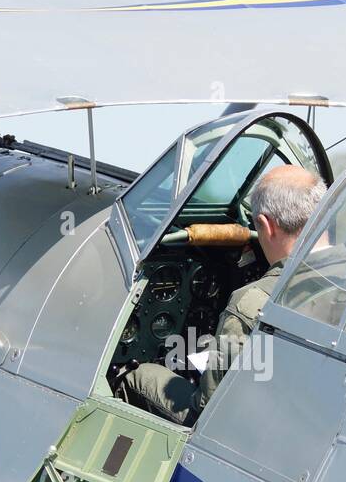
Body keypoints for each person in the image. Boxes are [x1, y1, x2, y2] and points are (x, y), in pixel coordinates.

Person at [123, 165, 326, 426]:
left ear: (266, 225)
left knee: (137, 375)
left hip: (254, 428)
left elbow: (208, 411)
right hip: (309, 418)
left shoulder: (254, 302)